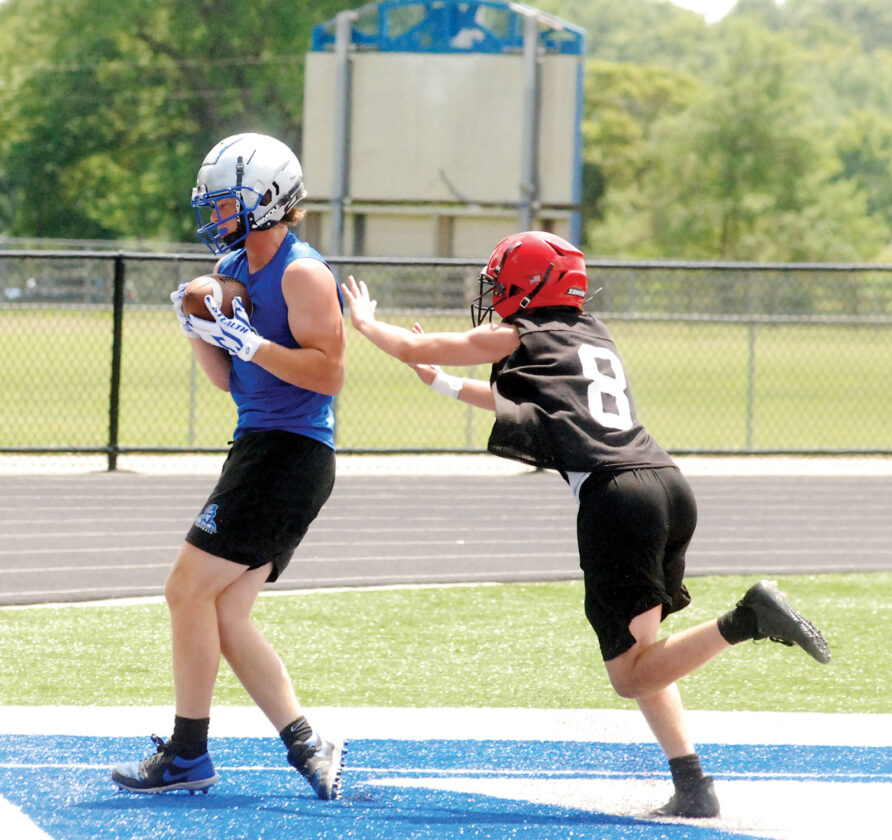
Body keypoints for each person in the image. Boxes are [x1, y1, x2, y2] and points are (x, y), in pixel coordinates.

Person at [341, 230, 830, 819]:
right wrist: (440, 382)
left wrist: (367, 323)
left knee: (630, 676)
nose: (494, 294)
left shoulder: (524, 333)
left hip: (617, 498)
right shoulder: (593, 335)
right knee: (645, 657)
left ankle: (747, 619)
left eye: (501, 282)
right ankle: (692, 783)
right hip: (666, 483)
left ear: (528, 285)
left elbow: (424, 344)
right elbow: (535, 407)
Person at [111, 133, 347, 800]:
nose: (215, 216)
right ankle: (307, 744)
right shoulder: (233, 268)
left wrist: (250, 341)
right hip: (260, 445)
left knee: (185, 589)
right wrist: (201, 332)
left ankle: (189, 753)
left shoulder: (301, 273)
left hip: (290, 452)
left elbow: (329, 374)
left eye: (225, 203)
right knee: (224, 612)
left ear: (268, 200)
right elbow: (227, 380)